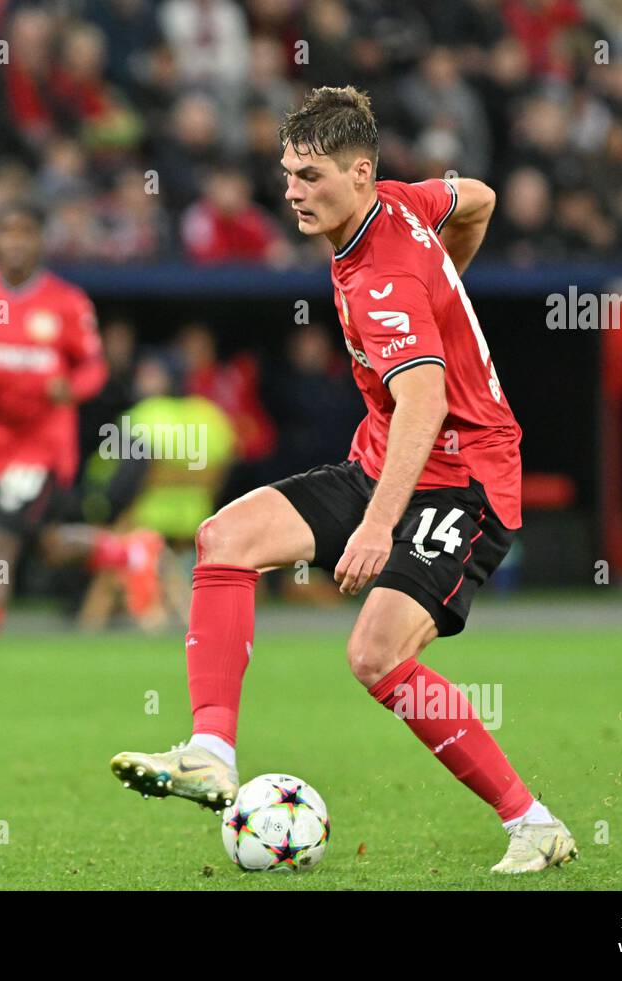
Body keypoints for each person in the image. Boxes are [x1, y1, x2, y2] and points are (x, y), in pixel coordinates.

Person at [109, 86, 578, 875]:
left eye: (311, 175)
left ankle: (531, 820)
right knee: (225, 537)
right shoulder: (398, 202)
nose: (292, 191)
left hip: (462, 478)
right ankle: (211, 750)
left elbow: (425, 399)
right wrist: (447, 286)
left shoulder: (383, 280)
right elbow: (479, 197)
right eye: (287, 173)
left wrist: (372, 527)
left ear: (359, 172)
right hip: (387, 457)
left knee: (377, 655)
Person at [0, 200, 168, 710]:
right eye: (8, 231)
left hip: (43, 450)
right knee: (45, 544)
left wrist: (72, 387)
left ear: (40, 242)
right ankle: (128, 551)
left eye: (27, 232)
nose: (17, 242)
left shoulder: (66, 302)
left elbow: (93, 367)